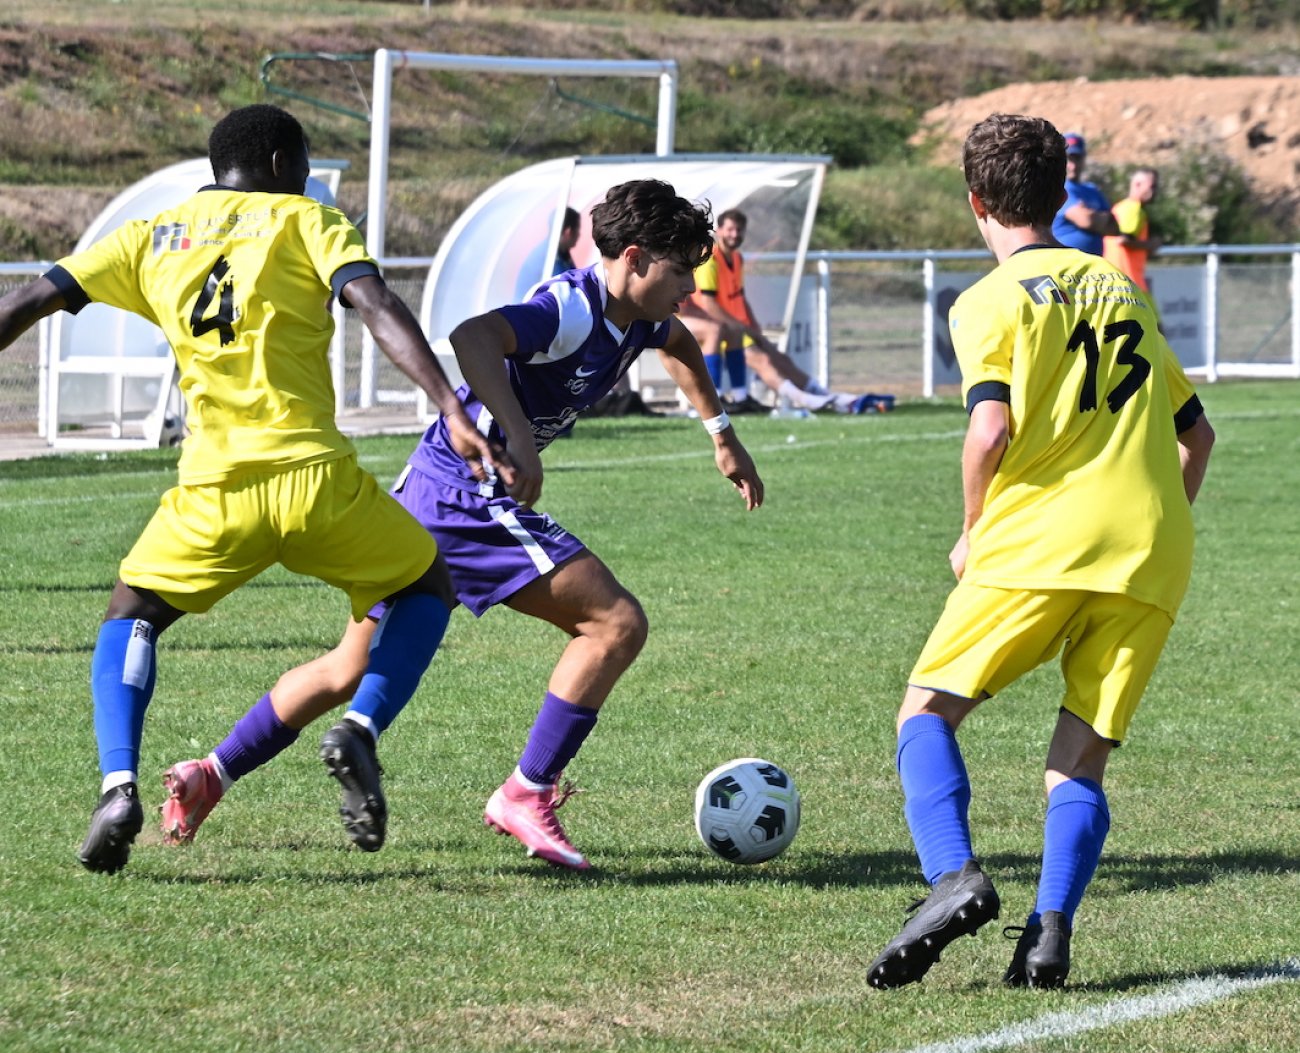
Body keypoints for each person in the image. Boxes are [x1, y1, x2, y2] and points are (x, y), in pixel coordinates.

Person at [159, 178, 764, 870]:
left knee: (348, 667)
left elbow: (681, 342)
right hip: (468, 497)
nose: (691, 284)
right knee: (615, 623)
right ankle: (525, 792)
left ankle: (211, 773)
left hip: (425, 491)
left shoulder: (644, 312)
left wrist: (721, 433)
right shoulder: (568, 308)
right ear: (632, 257)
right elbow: (473, 337)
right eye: (681, 268)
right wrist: (517, 433)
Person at [0, 104, 506, 874]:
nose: (306, 179)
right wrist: (447, 404)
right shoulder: (307, 221)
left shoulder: (149, 236)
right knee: (425, 585)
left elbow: (30, 302)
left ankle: (119, 782)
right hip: (314, 484)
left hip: (213, 493)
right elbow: (376, 305)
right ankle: (362, 728)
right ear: (279, 164)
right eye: (303, 164)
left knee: (131, 613)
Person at [866, 113, 1214, 991]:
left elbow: (990, 428)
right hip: (1151, 548)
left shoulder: (988, 300)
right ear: (1063, 197)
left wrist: (975, 528)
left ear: (975, 201)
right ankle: (1049, 930)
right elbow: (1196, 436)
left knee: (926, 712)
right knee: (1078, 758)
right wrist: (1148, 534)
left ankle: (952, 877)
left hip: (1040, 541)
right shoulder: (1121, 289)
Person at [676, 208, 893, 415]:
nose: (735, 234)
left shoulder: (737, 258)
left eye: (739, 229)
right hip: (723, 327)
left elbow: (740, 297)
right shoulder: (710, 259)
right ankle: (804, 399)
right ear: (719, 230)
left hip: (738, 327)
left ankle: (826, 395)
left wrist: (753, 326)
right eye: (730, 229)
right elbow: (709, 304)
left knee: (780, 358)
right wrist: (741, 327)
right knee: (764, 361)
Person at [1051, 131, 1119, 256]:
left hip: (1093, 265)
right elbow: (1086, 220)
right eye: (1069, 159)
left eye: (1077, 159)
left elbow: (1114, 226)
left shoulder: (1092, 190)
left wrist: (1093, 216)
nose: (1073, 166)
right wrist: (1099, 217)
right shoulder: (1059, 188)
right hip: (1066, 263)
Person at [1103, 167, 1162, 292]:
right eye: (1152, 186)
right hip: (1129, 284)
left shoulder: (1119, 207)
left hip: (1115, 282)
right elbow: (1123, 241)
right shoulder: (1134, 209)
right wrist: (1151, 244)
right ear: (1137, 184)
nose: (1155, 191)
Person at [552, 206, 581, 275]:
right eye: (577, 230)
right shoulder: (550, 260)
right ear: (568, 232)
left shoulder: (563, 253)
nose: (579, 234)